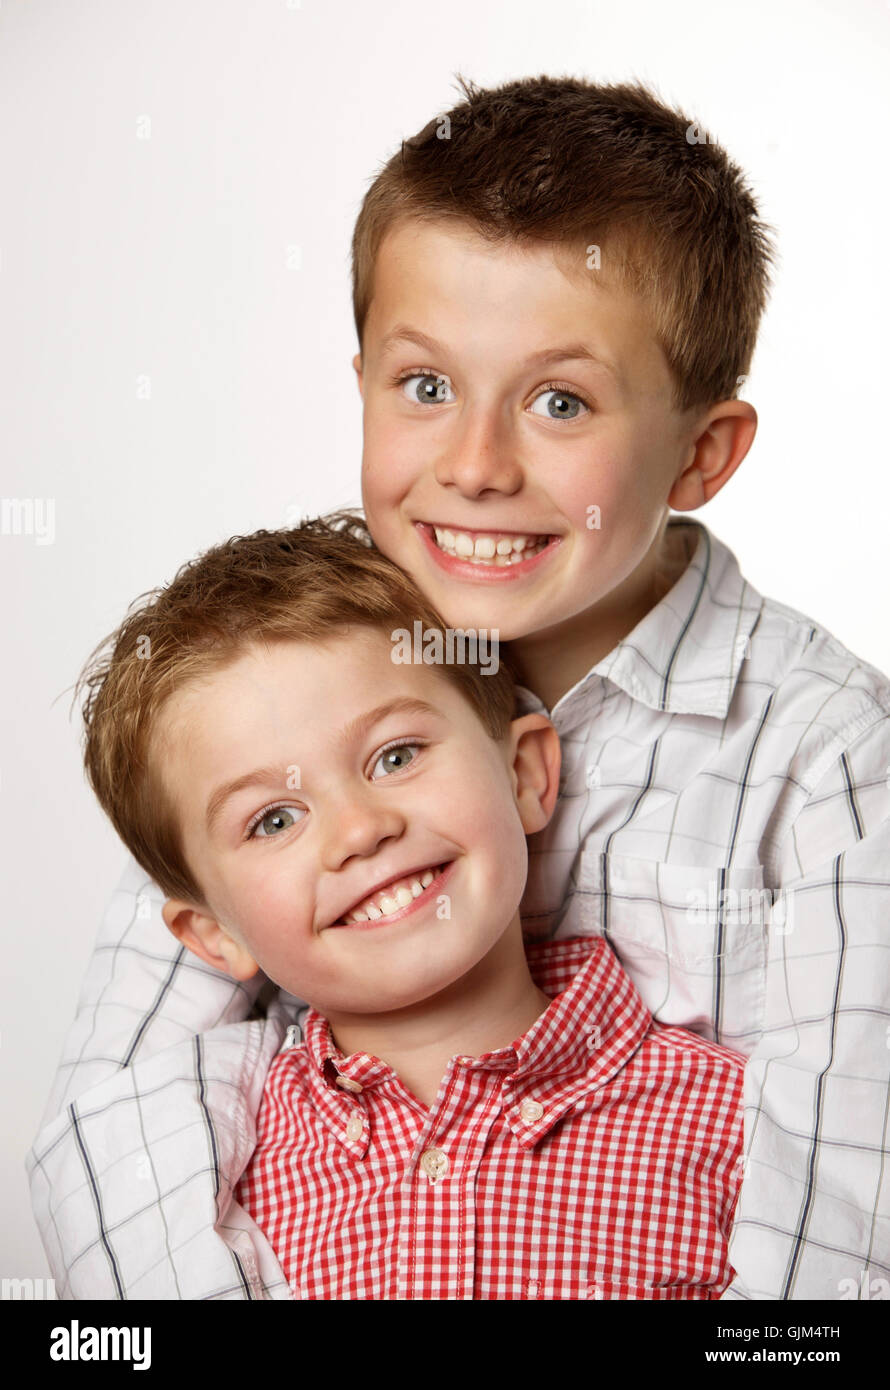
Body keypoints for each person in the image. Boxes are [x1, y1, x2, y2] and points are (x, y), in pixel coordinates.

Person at [27, 75, 890, 1301]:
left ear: (698, 453)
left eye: (558, 401)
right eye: (424, 386)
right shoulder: (284, 681)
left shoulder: (824, 756)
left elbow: (843, 1225)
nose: (474, 469)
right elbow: (116, 1112)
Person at [36, 518, 746, 1299]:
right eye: (274, 819)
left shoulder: (740, 1131)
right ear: (213, 934)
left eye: (395, 756)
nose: (360, 830)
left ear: (525, 774)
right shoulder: (193, 1180)